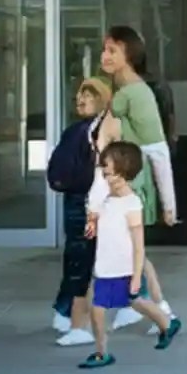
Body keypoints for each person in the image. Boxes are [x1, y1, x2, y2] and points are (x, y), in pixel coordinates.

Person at [89, 25, 179, 332]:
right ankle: (143, 307)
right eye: (105, 49)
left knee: (132, 254)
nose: (105, 56)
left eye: (113, 50)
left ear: (130, 55)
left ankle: (157, 309)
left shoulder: (134, 94)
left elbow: (156, 151)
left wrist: (169, 205)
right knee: (131, 253)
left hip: (127, 190)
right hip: (125, 189)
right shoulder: (128, 93)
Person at [79, 141, 182, 369]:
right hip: (104, 266)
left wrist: (136, 276)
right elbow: (101, 225)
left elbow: (138, 246)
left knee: (136, 302)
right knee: (98, 308)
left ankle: (166, 323)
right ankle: (101, 352)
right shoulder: (106, 199)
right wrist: (92, 223)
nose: (103, 170)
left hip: (124, 267)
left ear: (122, 169)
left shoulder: (132, 204)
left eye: (107, 166)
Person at [50, 77, 112, 346]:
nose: (81, 99)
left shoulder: (100, 129)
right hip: (77, 200)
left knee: (84, 260)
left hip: (90, 200)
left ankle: (74, 319)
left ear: (101, 99)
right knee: (77, 258)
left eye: (87, 95)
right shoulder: (77, 130)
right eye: (79, 96)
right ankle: (65, 312)